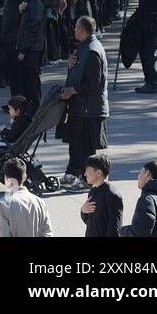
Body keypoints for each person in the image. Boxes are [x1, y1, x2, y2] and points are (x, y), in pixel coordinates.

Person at [59, 15, 109, 190]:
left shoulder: (93, 50)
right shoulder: (84, 47)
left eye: (76, 27)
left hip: (89, 108)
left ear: (81, 30)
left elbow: (95, 83)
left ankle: (87, 179)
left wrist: (72, 90)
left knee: (85, 147)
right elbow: (80, 72)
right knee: (75, 142)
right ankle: (72, 173)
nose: (74, 30)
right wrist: (70, 65)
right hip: (80, 106)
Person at [0, 159, 53, 237]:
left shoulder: (3, 204)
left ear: (6, 178)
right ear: (25, 177)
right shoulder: (39, 202)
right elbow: (47, 232)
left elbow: (3, 234)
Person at [121, 159, 157, 237]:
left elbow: (138, 233)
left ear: (147, 174)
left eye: (140, 172)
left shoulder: (148, 201)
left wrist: (120, 231)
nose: (138, 176)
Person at [79, 153, 123, 237]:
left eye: (87, 170)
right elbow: (90, 222)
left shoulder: (112, 195)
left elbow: (115, 228)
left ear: (98, 172)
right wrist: (83, 211)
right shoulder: (93, 191)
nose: (85, 174)